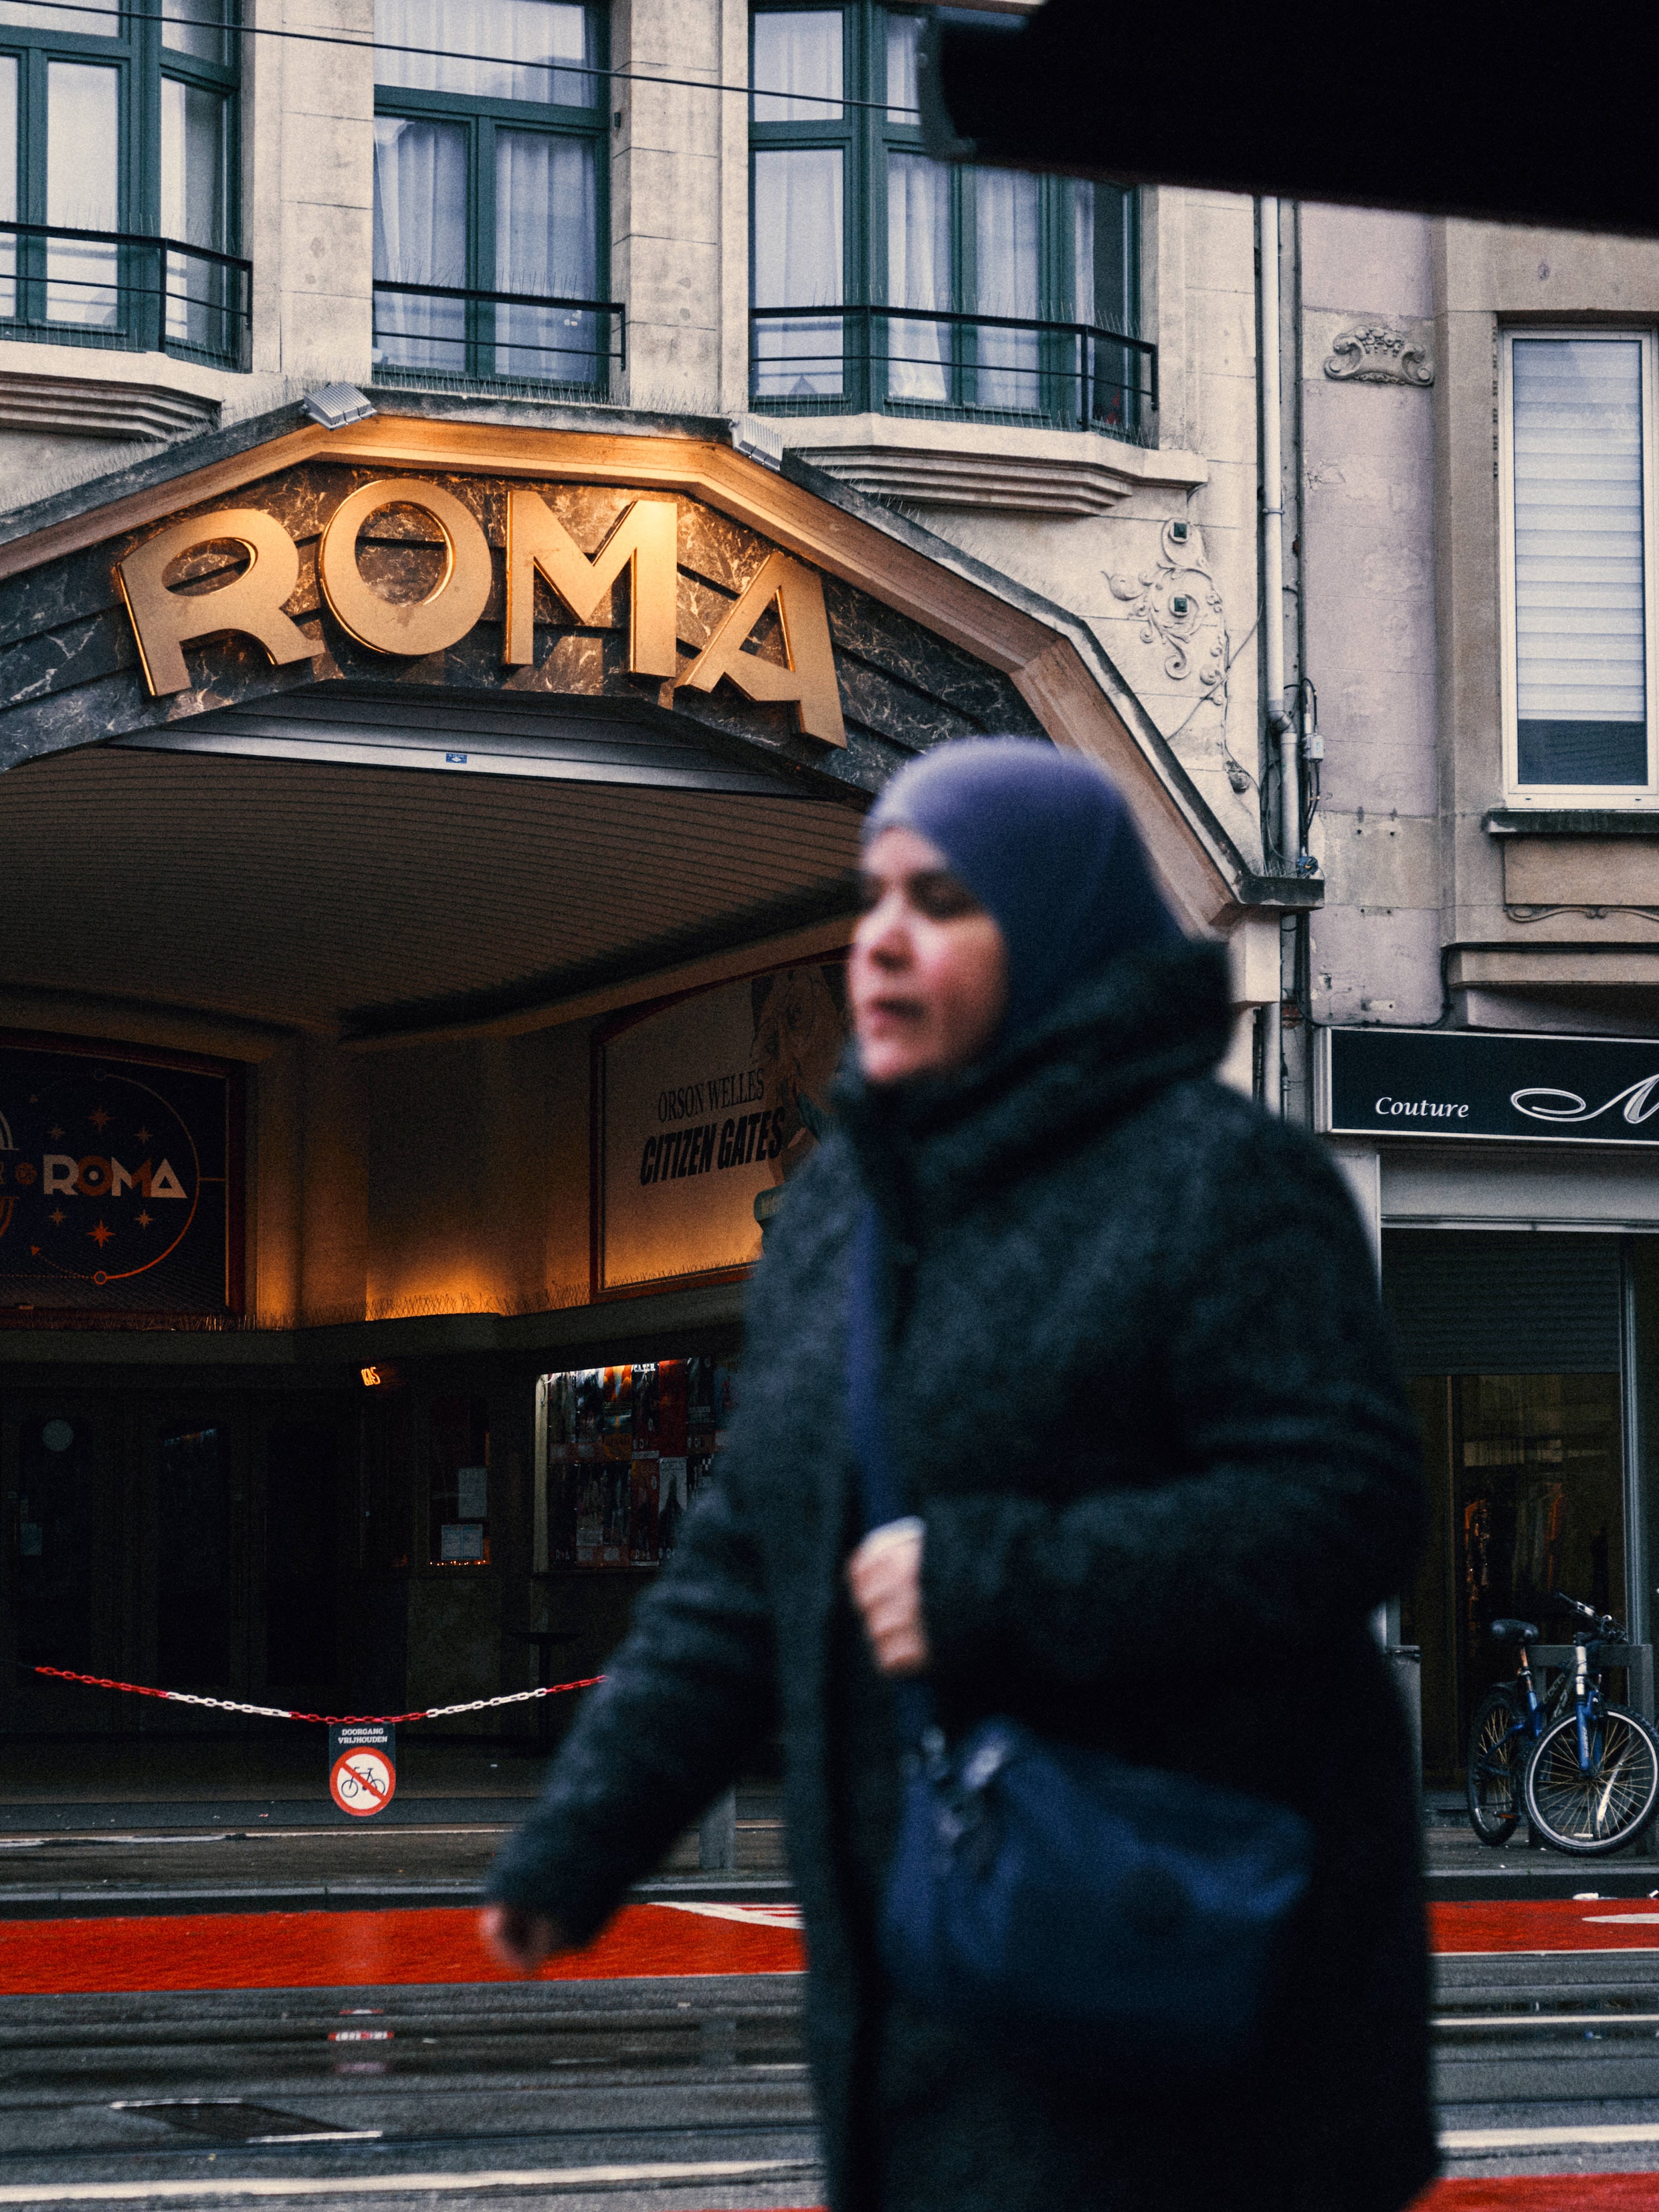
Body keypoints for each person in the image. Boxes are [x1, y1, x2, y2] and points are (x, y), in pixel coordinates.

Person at [481, 738, 1434, 2212]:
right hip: (925, 1978)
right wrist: (582, 1835)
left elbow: (1344, 1503)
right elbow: (745, 1556)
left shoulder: (1218, 1180)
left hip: (1180, 1971)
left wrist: (996, 1578)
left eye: (941, 900)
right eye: (870, 899)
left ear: (1051, 926)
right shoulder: (840, 1213)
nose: (881, 940)